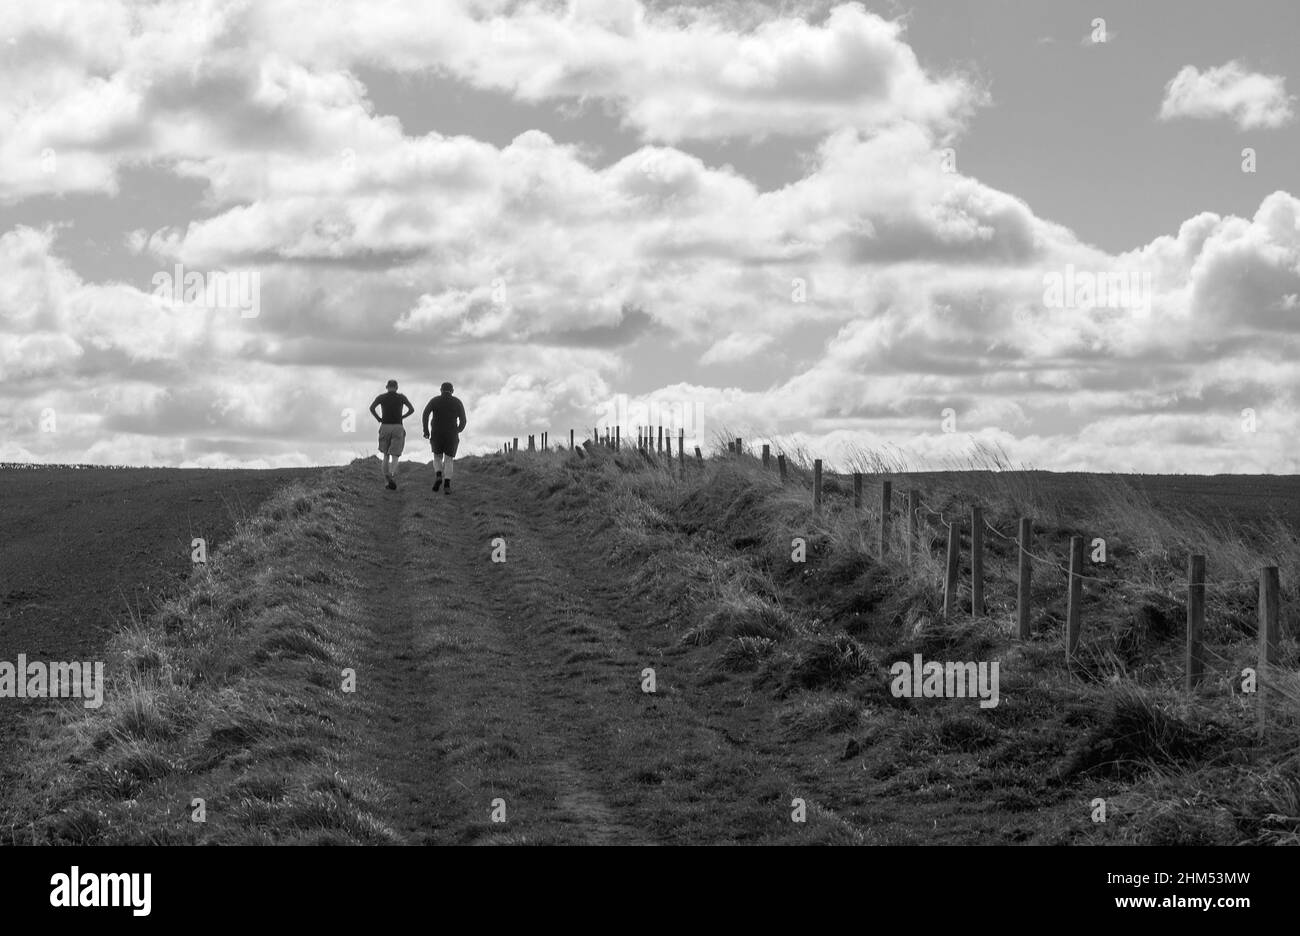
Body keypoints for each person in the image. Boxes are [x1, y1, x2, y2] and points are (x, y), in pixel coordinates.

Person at [421, 381, 467, 495]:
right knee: (449, 459)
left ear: (441, 390)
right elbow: (464, 420)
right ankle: (447, 484)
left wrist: (426, 430)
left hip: (436, 432)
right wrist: (458, 430)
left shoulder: (434, 400)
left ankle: (438, 475)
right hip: (451, 433)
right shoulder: (457, 402)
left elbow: (425, 414)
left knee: (437, 457)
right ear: (452, 391)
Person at [369, 379, 414, 490]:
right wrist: (402, 416)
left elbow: (372, 408)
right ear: (397, 387)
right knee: (395, 454)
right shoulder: (401, 397)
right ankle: (392, 474)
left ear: (386, 387)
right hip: (398, 426)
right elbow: (411, 409)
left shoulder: (381, 397)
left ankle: (386, 479)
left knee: (385, 454)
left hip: (385, 426)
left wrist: (379, 418)